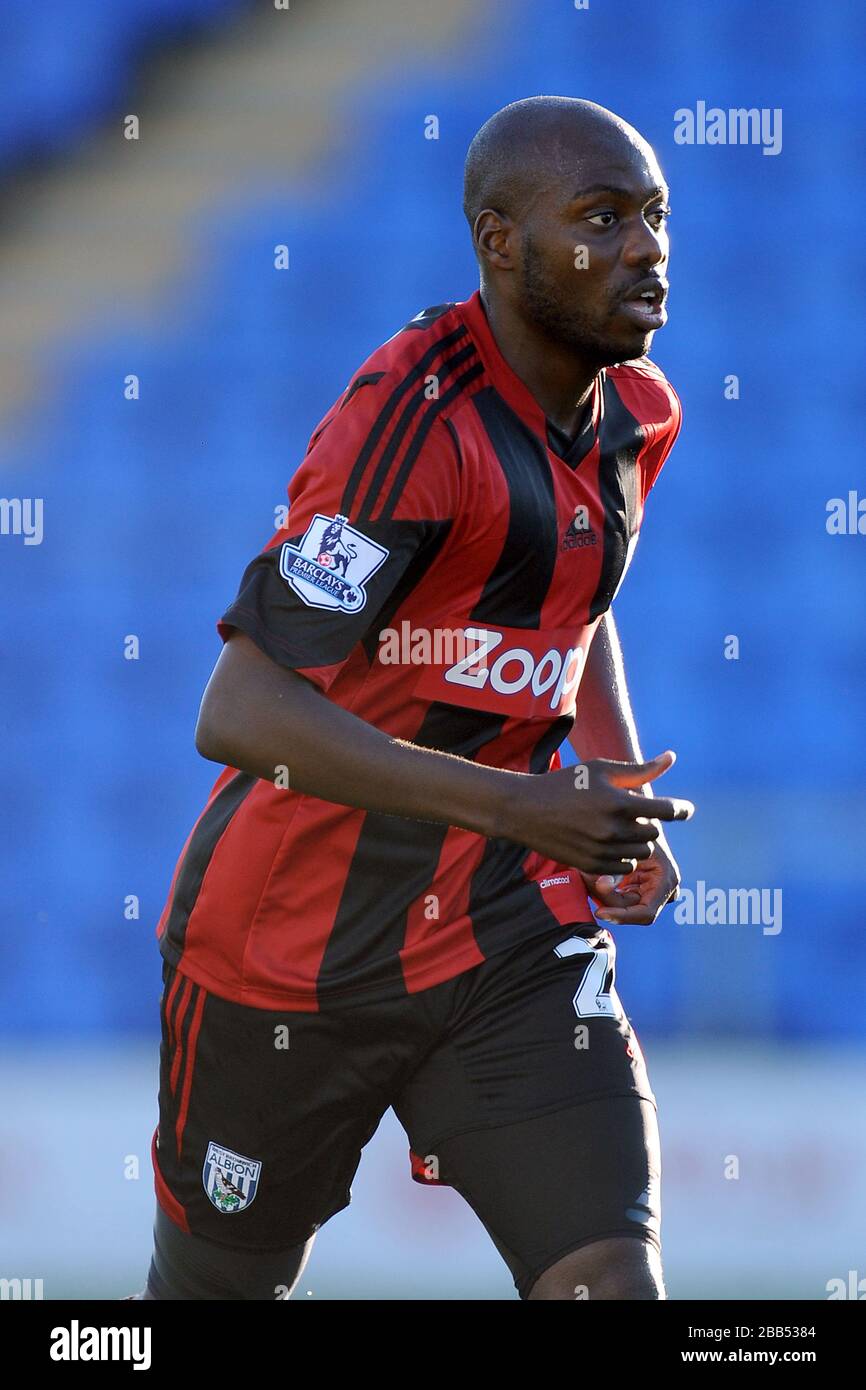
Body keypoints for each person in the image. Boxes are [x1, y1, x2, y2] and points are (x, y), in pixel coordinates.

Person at [138, 94, 693, 1302]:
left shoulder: (637, 415)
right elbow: (237, 711)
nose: (644, 248)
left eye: (651, 216)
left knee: (609, 1276)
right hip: (286, 956)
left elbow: (571, 606)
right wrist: (521, 803)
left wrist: (606, 780)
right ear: (498, 242)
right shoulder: (411, 425)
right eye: (599, 219)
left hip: (506, 933)